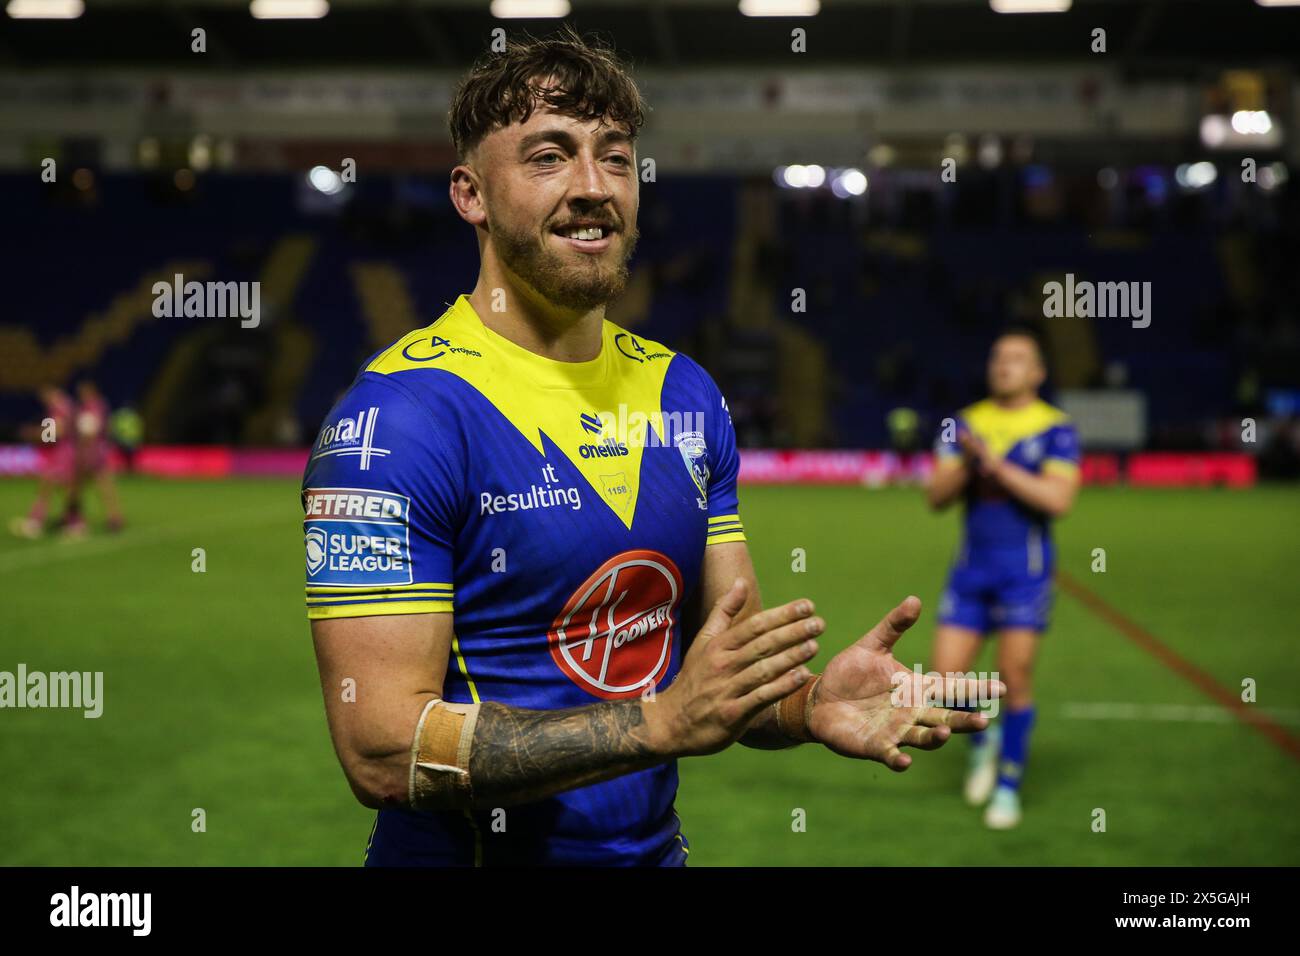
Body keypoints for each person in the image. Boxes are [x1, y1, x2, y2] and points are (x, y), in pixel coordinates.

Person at [304, 26, 997, 866]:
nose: (594, 187)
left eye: (617, 157)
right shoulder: (399, 419)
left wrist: (806, 705)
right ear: (470, 194)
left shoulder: (687, 396)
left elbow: (721, 679)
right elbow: (380, 749)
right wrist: (654, 724)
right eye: (549, 156)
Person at [926, 329, 1081, 829]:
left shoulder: (1056, 429)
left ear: (1038, 372)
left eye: (1017, 359)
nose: (1003, 365)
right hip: (971, 571)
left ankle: (1008, 787)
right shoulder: (963, 424)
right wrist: (969, 464)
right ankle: (984, 743)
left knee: (1014, 678)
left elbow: (1058, 500)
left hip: (1026, 574)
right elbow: (935, 497)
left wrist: (996, 466)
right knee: (945, 682)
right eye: (997, 356)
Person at [10, 386, 84, 539]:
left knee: (51, 486)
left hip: (61, 452)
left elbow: (56, 432)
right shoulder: (68, 405)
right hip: (66, 451)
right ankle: (72, 523)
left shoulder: (59, 407)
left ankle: (38, 522)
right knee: (62, 487)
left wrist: (33, 432)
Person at [75, 380, 125, 533]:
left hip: (92, 451)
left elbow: (90, 431)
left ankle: (75, 518)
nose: (81, 395)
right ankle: (114, 517)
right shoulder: (98, 406)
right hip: (97, 450)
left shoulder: (93, 406)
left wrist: (82, 447)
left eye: (83, 391)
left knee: (88, 484)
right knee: (99, 484)